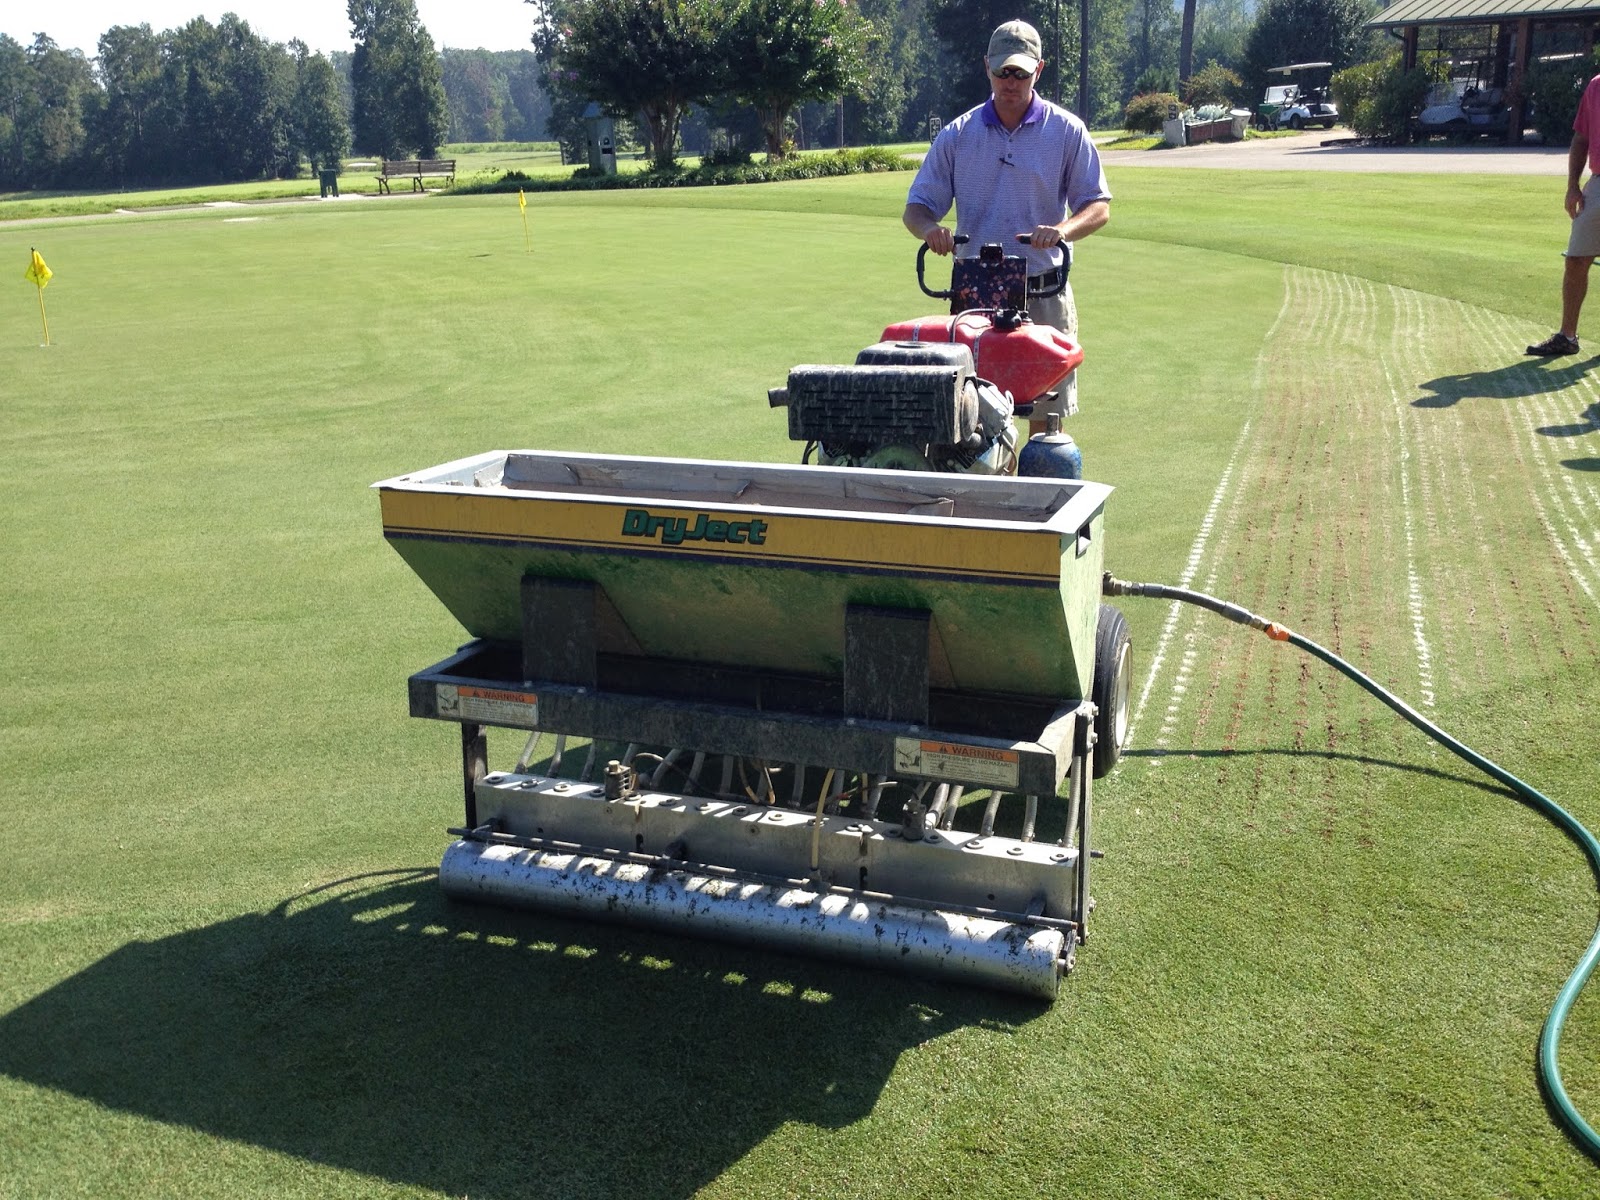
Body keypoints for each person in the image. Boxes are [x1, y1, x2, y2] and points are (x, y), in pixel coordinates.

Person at [903, 18, 1111, 432]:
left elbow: (1098, 205)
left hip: (1042, 283)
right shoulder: (957, 135)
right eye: (1002, 72)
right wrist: (930, 230)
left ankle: (1035, 489)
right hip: (975, 292)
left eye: (1020, 72)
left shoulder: (1067, 130)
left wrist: (1063, 229)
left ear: (1039, 69)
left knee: (1045, 417)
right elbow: (917, 208)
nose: (1010, 82)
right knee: (971, 415)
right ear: (987, 68)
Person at [1528, 73, 1600, 357]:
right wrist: (1573, 186)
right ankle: (1567, 337)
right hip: (1599, 182)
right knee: (1576, 258)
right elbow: (1581, 138)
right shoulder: (1596, 86)